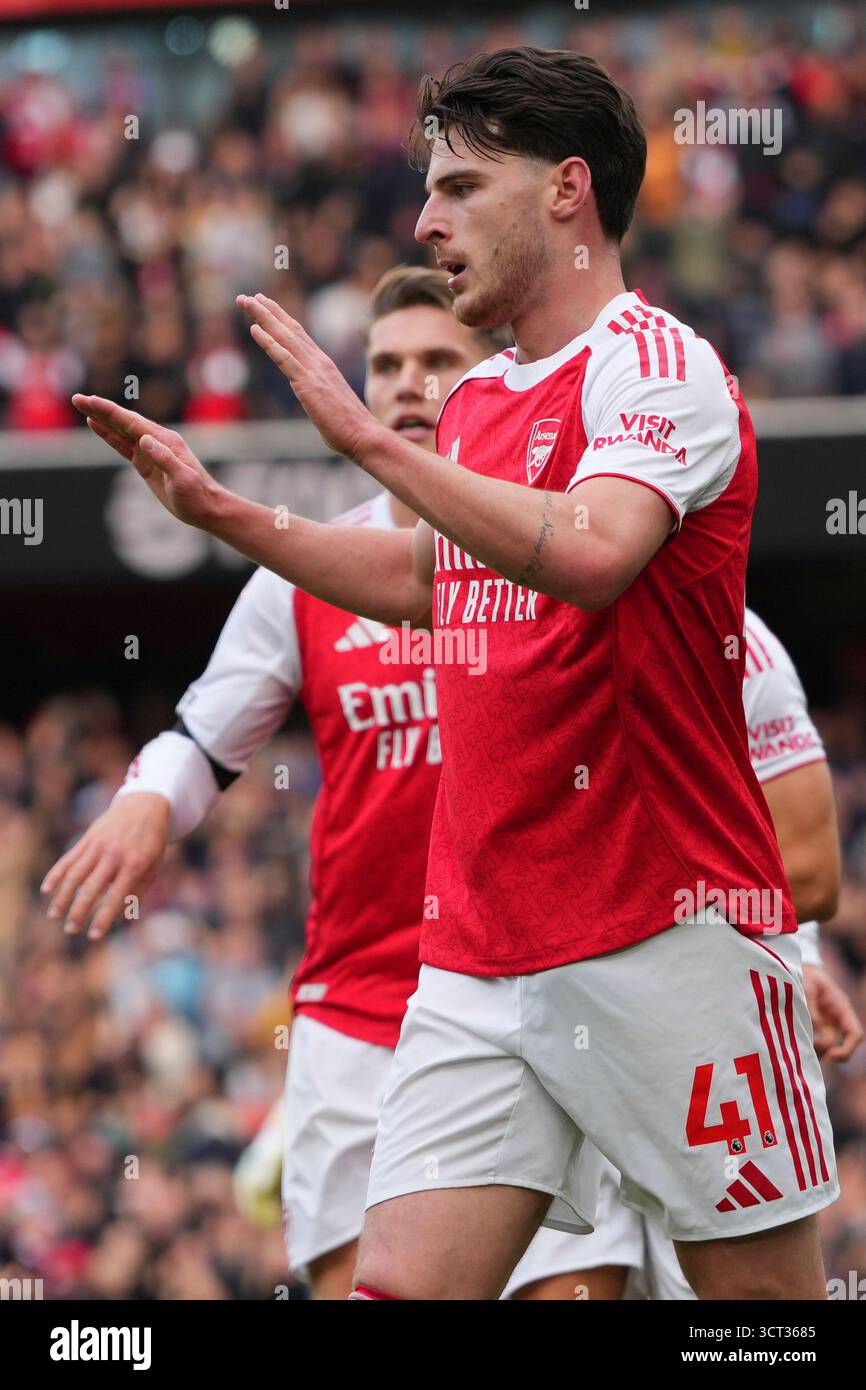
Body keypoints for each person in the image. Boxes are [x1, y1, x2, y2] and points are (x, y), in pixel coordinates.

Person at [67, 47, 840, 1300]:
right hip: (477, 959)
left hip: (666, 942)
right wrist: (225, 514)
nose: (425, 220)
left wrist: (367, 438)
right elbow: (436, 584)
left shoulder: (660, 366)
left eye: (459, 186)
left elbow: (590, 556)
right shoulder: (480, 403)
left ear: (565, 192)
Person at [503, 606, 862, 1299]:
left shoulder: (743, 646)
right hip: (565, 1024)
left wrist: (800, 952)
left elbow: (814, 871)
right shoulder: (521, 640)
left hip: (706, 1035)